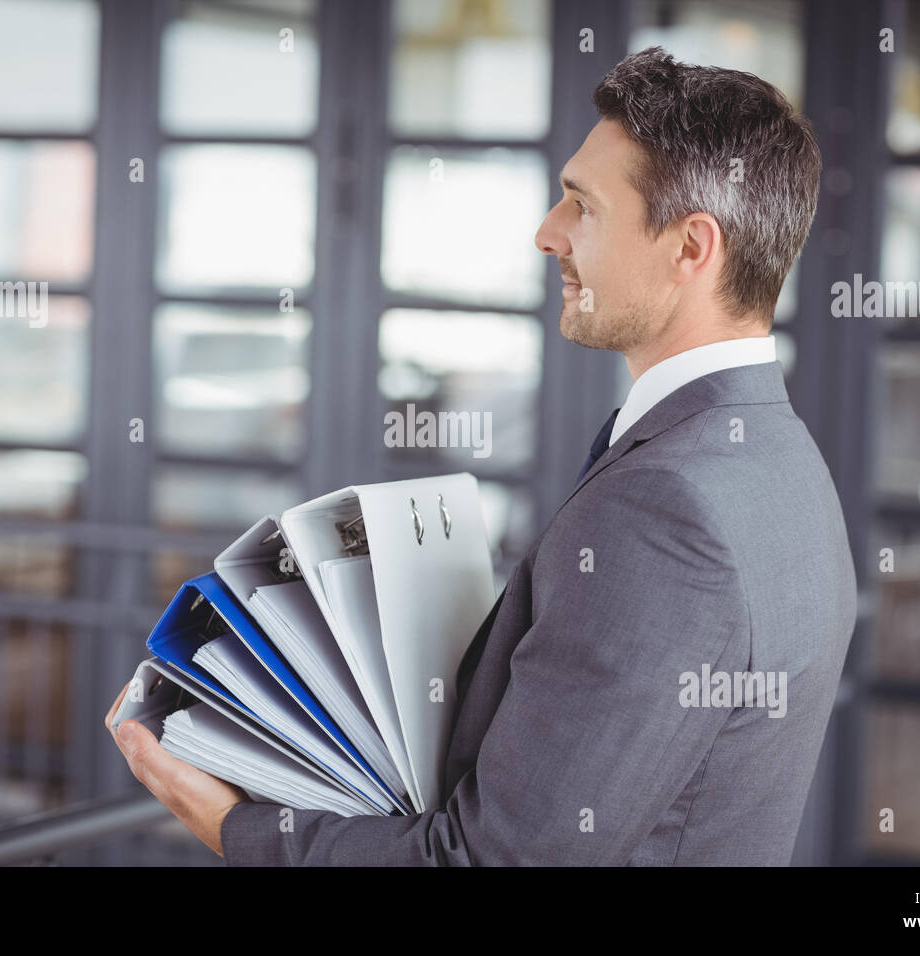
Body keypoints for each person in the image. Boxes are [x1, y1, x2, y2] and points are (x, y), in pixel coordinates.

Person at [106, 46, 857, 866]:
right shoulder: (782, 459)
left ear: (690, 248)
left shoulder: (667, 510)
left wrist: (224, 817)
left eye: (583, 206)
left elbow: (491, 860)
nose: (547, 233)